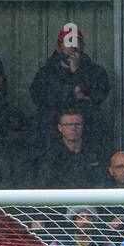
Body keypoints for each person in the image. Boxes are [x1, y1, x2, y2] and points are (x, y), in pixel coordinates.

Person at [28, 24, 110, 154]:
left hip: (87, 132)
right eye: (68, 42)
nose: (72, 47)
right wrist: (75, 93)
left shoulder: (95, 71)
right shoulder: (46, 72)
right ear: (59, 46)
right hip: (51, 132)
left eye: (76, 42)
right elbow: (38, 98)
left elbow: (99, 95)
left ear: (83, 46)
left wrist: (76, 71)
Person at [37, 107, 107, 191]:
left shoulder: (95, 152)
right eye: (68, 125)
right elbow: (44, 186)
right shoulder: (51, 156)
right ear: (60, 128)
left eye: (78, 124)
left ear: (83, 126)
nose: (73, 128)